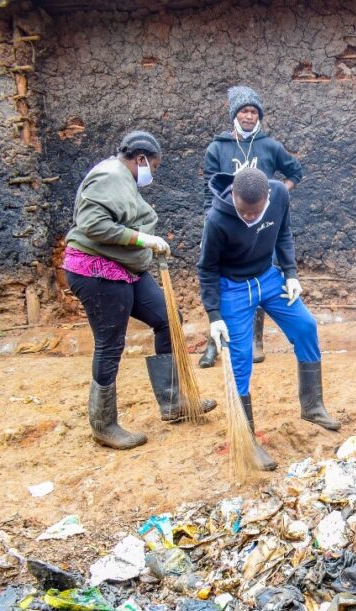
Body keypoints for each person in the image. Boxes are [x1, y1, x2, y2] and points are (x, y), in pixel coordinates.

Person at [63, 130, 215, 450]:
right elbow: (92, 225)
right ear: (141, 159)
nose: (152, 174)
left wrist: (145, 247)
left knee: (167, 316)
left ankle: (173, 401)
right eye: (154, 167)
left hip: (127, 269)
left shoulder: (122, 178)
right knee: (110, 343)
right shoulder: (109, 176)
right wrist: (142, 240)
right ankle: (104, 425)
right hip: (97, 270)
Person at [199, 167, 339, 470]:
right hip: (233, 287)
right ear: (234, 196)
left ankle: (312, 405)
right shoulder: (217, 219)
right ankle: (246, 437)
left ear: (267, 198)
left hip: (268, 277)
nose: (249, 218)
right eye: (244, 211)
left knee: (305, 326)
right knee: (240, 358)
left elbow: (284, 234)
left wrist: (290, 274)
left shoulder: (279, 196)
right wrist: (214, 315)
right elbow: (207, 269)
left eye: (255, 211)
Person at [198, 86, 304, 369]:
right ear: (235, 114)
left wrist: (277, 196)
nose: (248, 116)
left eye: (253, 112)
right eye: (244, 111)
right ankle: (215, 342)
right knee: (219, 280)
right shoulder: (218, 148)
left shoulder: (270, 146)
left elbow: (295, 172)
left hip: (261, 227)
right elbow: (209, 188)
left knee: (260, 281)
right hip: (227, 225)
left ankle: (256, 340)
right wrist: (222, 216)